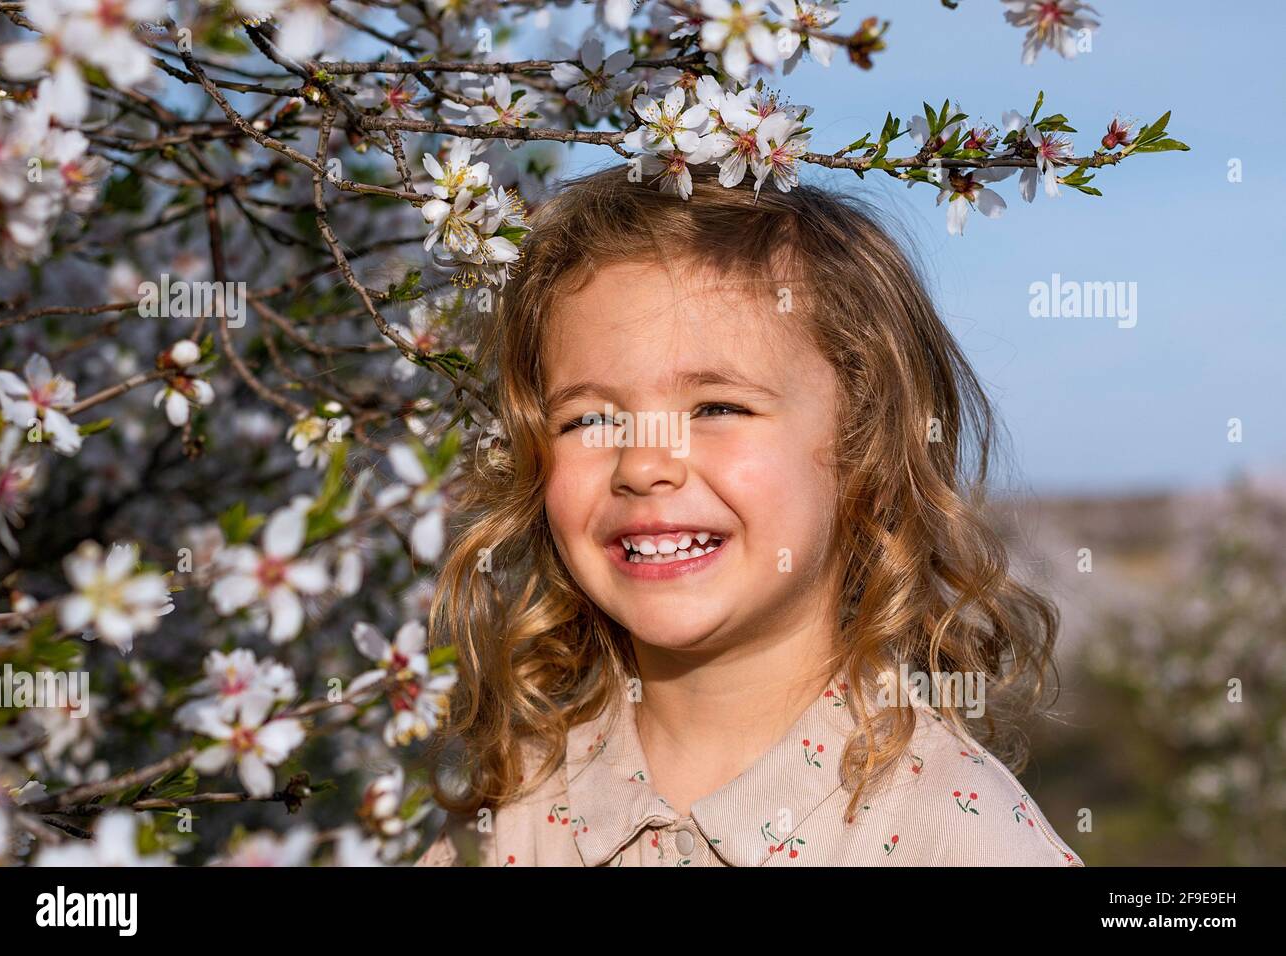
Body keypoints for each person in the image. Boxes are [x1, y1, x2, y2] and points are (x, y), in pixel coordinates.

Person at [414, 164, 1082, 867]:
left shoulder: (960, 841)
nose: (644, 465)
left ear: (869, 452)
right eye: (589, 420)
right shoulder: (513, 813)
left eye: (717, 408)